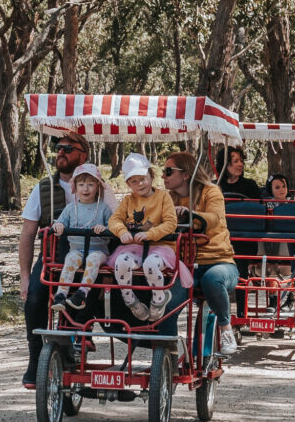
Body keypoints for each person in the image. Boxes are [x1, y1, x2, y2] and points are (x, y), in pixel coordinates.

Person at [18, 131, 112, 388]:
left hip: (93, 252)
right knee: (36, 296)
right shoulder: (44, 188)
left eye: (68, 148)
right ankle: (36, 357)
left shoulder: (103, 192)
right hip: (54, 255)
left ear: (83, 154)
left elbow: (116, 224)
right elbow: (27, 234)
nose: (60, 152)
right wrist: (25, 278)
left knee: (91, 283)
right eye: (58, 147)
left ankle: (81, 337)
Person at [161, 150, 239, 357]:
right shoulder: (168, 199)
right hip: (186, 264)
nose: (163, 176)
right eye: (163, 171)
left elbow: (214, 218)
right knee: (167, 297)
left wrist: (190, 215)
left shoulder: (210, 192)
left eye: (168, 171)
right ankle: (166, 352)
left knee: (212, 280)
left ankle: (226, 329)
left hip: (218, 261)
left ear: (185, 174)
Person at [107, 153, 179, 322]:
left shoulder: (163, 197)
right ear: (128, 184)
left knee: (151, 264)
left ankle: (159, 298)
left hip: (160, 246)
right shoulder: (128, 200)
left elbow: (170, 223)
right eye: (134, 181)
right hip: (134, 246)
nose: (139, 184)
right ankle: (130, 299)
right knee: (121, 262)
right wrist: (122, 231)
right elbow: (114, 219)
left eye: (143, 178)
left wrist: (149, 234)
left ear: (151, 176)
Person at [51, 163, 115, 309]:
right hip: (77, 249)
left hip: (98, 251)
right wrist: (59, 226)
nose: (85, 189)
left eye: (90, 185)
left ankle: (81, 294)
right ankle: (61, 295)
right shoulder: (70, 208)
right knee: (71, 260)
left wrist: (104, 228)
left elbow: (113, 228)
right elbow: (58, 223)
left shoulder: (104, 208)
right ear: (75, 187)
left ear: (98, 187)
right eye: (81, 184)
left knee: (93, 259)